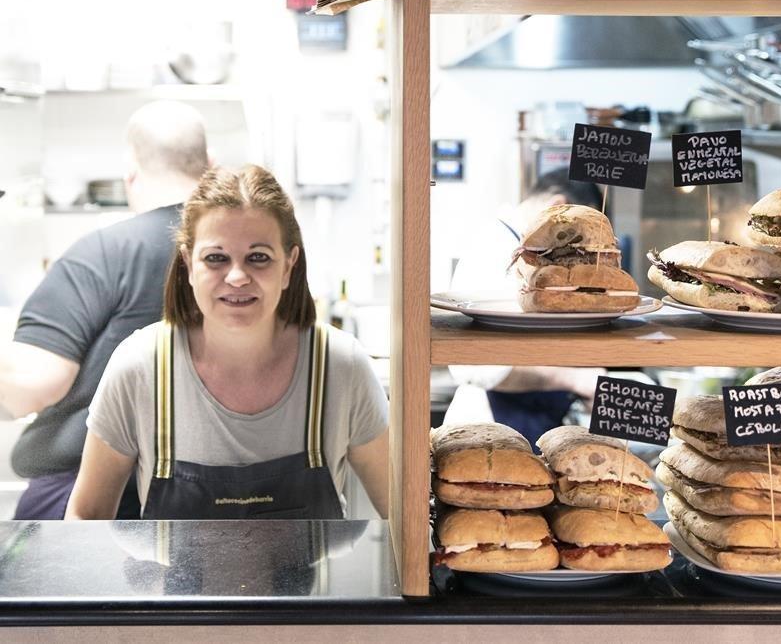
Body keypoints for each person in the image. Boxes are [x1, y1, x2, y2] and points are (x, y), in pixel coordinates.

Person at [64, 165, 389, 520]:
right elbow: (86, 519)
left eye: (259, 257)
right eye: (216, 258)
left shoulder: (340, 366)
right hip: (170, 579)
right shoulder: (140, 366)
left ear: (288, 266)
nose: (236, 277)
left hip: (317, 580)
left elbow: (402, 513)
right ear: (188, 263)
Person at [0, 100, 210, 520]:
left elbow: (37, 382)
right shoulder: (245, 259)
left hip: (91, 499)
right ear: (210, 167)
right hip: (211, 497)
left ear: (129, 171)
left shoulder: (105, 252)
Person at [443, 169, 606, 446]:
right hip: (491, 432)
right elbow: (475, 364)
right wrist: (575, 378)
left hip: (532, 422)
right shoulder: (495, 247)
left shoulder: (527, 250)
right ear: (557, 208)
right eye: (577, 237)